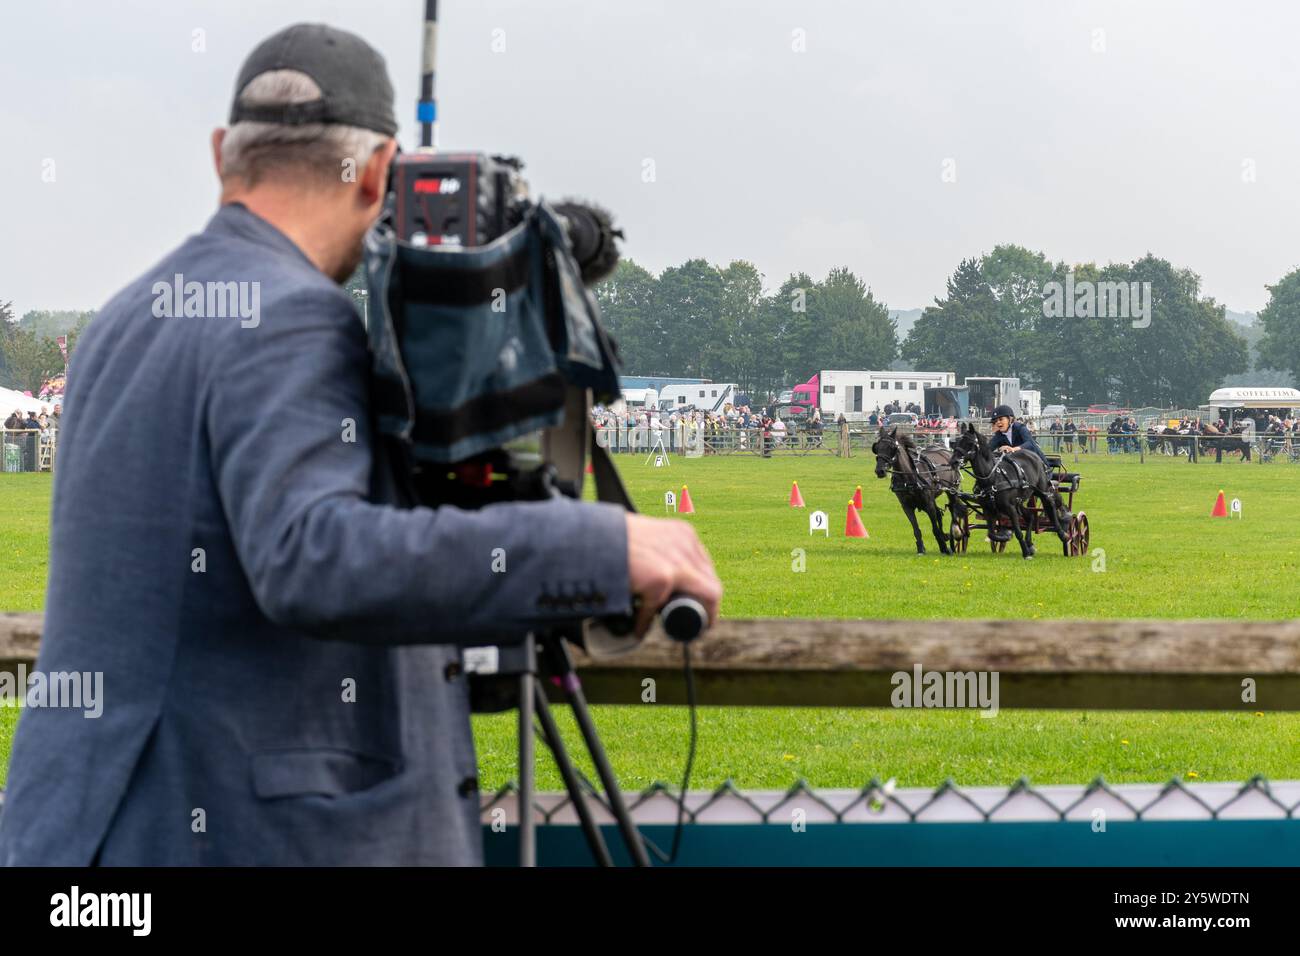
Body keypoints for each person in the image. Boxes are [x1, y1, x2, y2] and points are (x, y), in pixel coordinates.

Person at [0, 24, 720, 867]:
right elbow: (314, 555)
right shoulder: (290, 313)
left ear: (220, 154)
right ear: (379, 173)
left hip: (89, 834)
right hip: (243, 835)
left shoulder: (129, 315)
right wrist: (597, 541)